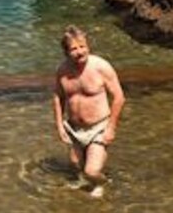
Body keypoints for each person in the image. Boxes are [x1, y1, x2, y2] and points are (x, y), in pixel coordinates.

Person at [51, 25, 124, 198]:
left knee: (91, 171)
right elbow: (57, 97)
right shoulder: (62, 71)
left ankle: (103, 182)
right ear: (66, 52)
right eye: (74, 49)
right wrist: (60, 126)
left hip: (99, 127)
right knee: (76, 165)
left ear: (88, 46)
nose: (80, 52)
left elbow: (119, 97)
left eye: (82, 46)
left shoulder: (101, 67)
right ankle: (85, 182)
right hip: (74, 128)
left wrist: (111, 128)